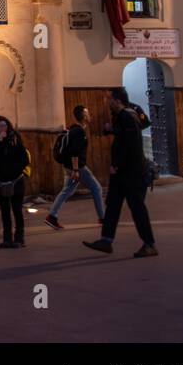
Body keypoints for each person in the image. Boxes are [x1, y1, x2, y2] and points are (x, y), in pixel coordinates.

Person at [84, 88, 158, 258]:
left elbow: (130, 145)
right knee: (113, 205)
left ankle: (149, 244)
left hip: (132, 172)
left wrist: (117, 165)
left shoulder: (128, 116)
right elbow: (122, 139)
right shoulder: (124, 116)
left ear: (117, 100)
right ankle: (106, 240)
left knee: (137, 208)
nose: (107, 102)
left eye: (109, 99)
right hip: (122, 173)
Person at [45, 105, 105, 230]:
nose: (90, 115)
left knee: (67, 190)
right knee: (96, 188)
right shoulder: (79, 132)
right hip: (76, 167)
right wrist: (76, 170)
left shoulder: (73, 130)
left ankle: (52, 216)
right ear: (83, 116)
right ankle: (103, 218)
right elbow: (74, 152)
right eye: (87, 113)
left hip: (68, 166)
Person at [0, 115, 30, 248]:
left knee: (17, 209)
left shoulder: (15, 140)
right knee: (4, 211)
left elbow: (24, 159)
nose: (2, 128)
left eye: (4, 125)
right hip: (0, 181)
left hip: (16, 180)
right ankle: (7, 238)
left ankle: (19, 237)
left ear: (8, 126)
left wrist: (16, 170)